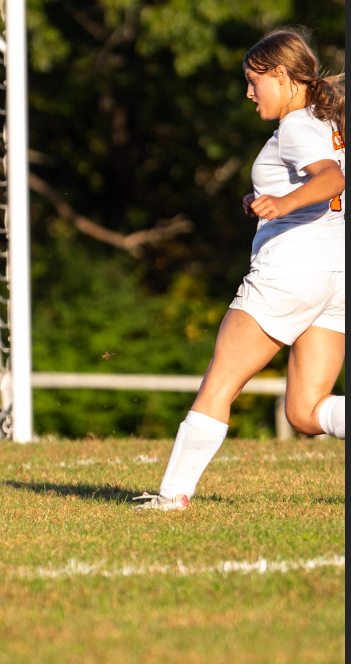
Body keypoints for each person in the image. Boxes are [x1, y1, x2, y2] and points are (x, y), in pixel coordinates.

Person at [136, 30, 345, 511]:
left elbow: (331, 179)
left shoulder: (296, 125)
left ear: (283, 75)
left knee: (220, 383)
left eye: (254, 81)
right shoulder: (320, 123)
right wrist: (265, 202)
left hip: (290, 273)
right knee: (306, 412)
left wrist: (283, 202)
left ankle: (170, 498)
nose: (249, 92)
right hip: (334, 276)